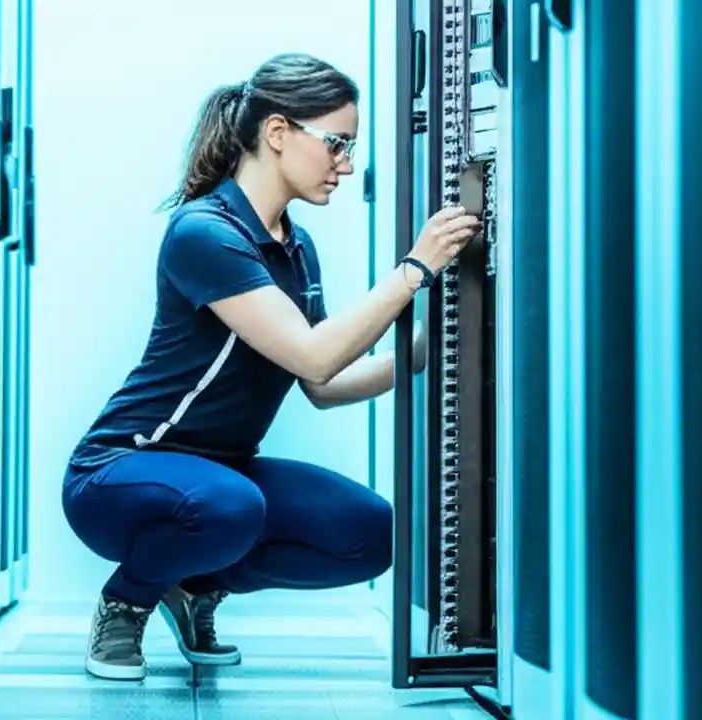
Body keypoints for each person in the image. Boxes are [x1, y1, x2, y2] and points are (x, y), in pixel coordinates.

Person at [60, 52, 480, 681]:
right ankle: (127, 602)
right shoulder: (205, 232)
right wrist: (413, 271)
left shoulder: (295, 245)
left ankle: (194, 582)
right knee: (231, 507)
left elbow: (323, 382)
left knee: (369, 534)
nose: (346, 162)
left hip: (221, 476)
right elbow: (314, 352)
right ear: (278, 133)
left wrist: (437, 345)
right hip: (119, 471)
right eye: (337, 143)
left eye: (351, 147)